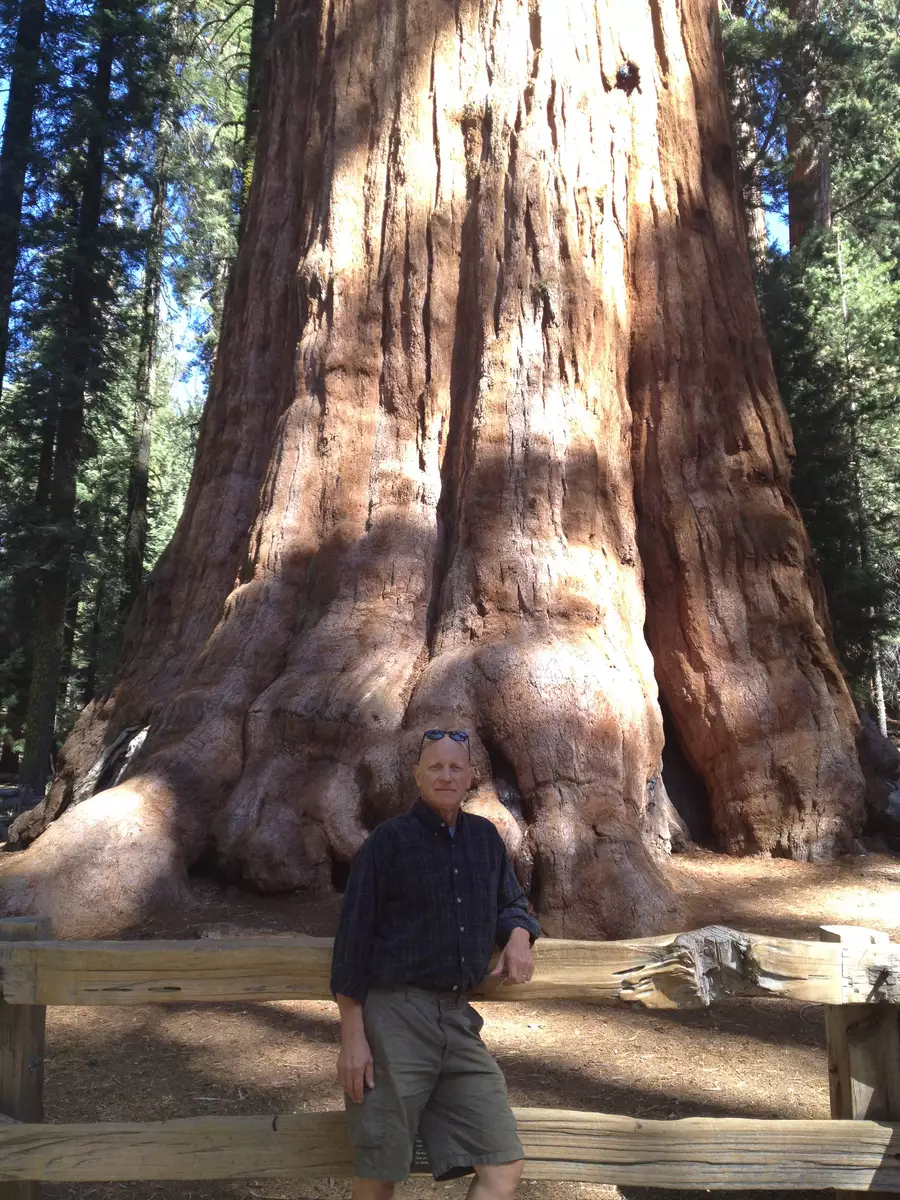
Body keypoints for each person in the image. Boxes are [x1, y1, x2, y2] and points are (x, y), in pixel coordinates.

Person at [331, 727, 541, 1200]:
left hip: (458, 1020)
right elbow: (352, 943)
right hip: (394, 1018)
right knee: (380, 1165)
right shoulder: (387, 842)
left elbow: (512, 903)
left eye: (455, 767)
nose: (446, 775)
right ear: (417, 776)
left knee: (503, 1163)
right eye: (435, 767)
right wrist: (353, 1039)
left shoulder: (484, 840)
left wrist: (519, 935)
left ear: (469, 777)